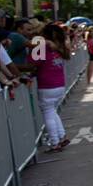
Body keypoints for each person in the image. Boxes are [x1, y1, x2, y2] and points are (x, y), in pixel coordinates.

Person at [24, 23, 72, 152]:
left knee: (48, 113)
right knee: (52, 111)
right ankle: (62, 137)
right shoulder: (59, 47)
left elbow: (31, 64)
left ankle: (55, 142)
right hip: (59, 84)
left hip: (46, 85)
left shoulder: (40, 45)